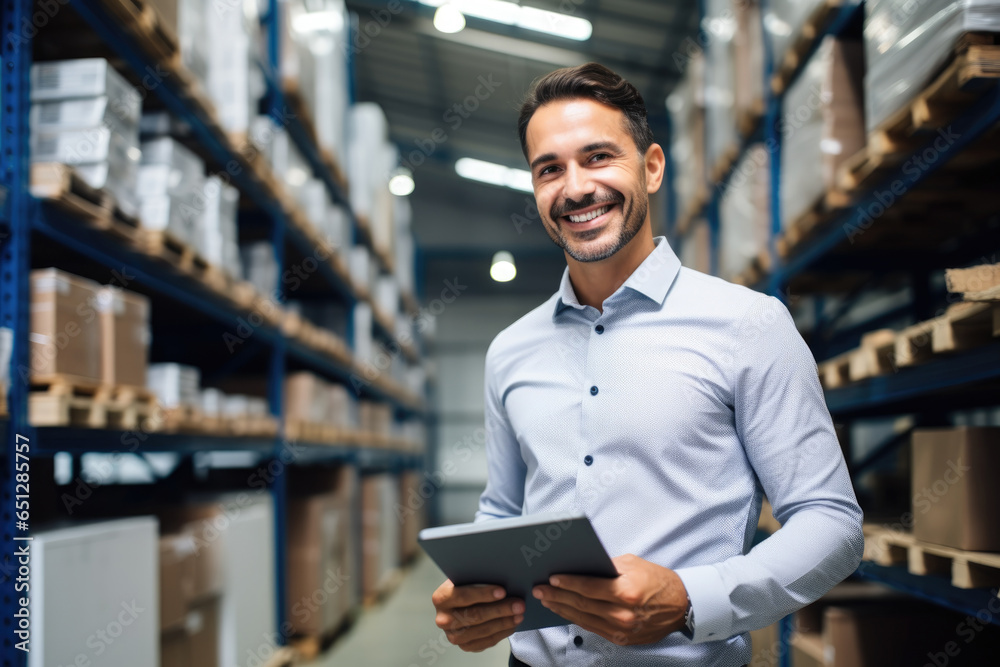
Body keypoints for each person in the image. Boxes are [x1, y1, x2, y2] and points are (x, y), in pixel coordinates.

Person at [430, 63, 864, 667]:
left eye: (598, 157)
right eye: (549, 169)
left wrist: (691, 599)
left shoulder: (748, 326)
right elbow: (504, 511)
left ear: (652, 166)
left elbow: (831, 522)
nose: (576, 187)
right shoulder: (511, 350)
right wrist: (476, 599)